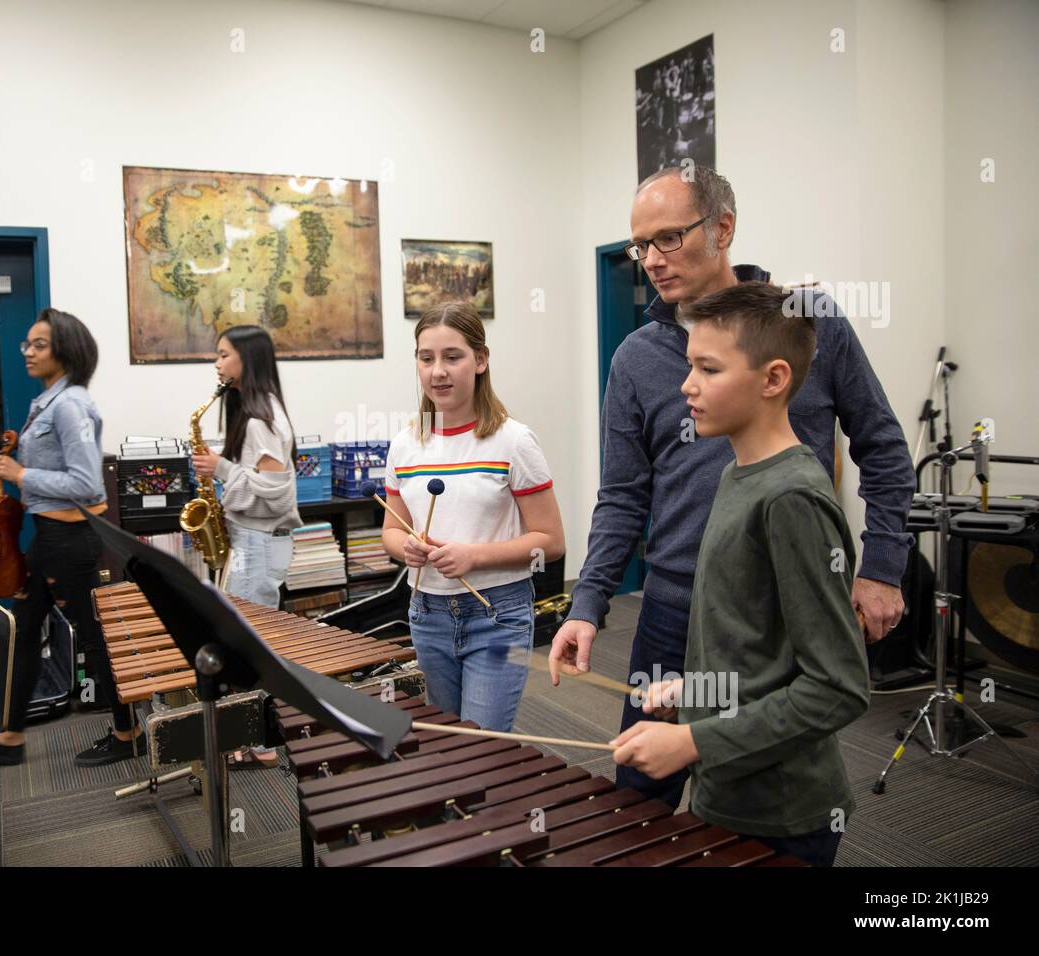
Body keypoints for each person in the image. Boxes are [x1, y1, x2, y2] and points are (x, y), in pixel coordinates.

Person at [549, 165, 913, 807]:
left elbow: (882, 446)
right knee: (638, 800)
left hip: (777, 611)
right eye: (640, 247)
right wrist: (588, 602)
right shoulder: (635, 357)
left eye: (668, 238)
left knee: (767, 789)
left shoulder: (805, 322)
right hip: (672, 608)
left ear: (723, 228)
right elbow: (623, 493)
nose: (651, 261)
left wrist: (882, 565)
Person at [610, 281, 870, 867]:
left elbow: (837, 687)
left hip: (781, 813)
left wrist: (692, 741)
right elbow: (755, 648)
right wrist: (694, 692)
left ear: (773, 379)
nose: (687, 386)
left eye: (708, 368)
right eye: (688, 366)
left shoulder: (791, 499)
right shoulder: (736, 475)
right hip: (724, 792)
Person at [382, 301, 565, 732]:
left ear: (481, 360)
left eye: (453, 357)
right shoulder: (405, 446)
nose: (437, 372)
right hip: (426, 613)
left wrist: (474, 557)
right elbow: (391, 531)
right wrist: (406, 547)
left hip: (495, 614)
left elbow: (551, 542)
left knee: (481, 748)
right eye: (426, 359)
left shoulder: (513, 441)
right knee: (447, 749)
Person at [0, 308, 143, 767]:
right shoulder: (50, 402)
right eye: (27, 344)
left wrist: (21, 473)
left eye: (40, 345)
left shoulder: (71, 404)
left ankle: (127, 729)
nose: (29, 353)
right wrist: (20, 458)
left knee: (93, 636)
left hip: (70, 540)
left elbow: (86, 484)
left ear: (67, 351)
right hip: (50, 534)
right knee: (26, 623)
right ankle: (11, 734)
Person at [191, 325, 301, 767]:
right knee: (248, 637)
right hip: (250, 539)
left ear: (246, 360)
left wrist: (220, 468)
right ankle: (254, 734)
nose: (216, 364)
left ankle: (259, 740)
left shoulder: (260, 418)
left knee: (252, 641)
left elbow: (275, 489)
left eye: (222, 355)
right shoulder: (253, 413)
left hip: (258, 543)